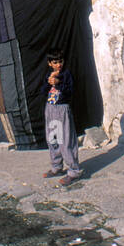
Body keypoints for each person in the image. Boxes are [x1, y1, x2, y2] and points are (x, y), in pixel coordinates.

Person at [42, 50, 82, 187]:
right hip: (50, 108)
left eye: (60, 61)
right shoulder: (49, 75)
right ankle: (57, 167)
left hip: (62, 109)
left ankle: (73, 171)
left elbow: (70, 91)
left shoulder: (66, 75)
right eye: (55, 62)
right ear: (49, 63)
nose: (58, 64)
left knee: (65, 140)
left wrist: (58, 82)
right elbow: (43, 92)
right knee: (53, 139)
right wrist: (49, 82)